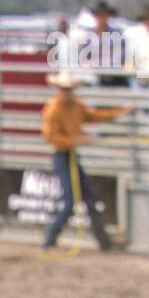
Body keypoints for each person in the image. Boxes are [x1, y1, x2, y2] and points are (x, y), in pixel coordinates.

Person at [41, 72, 131, 251]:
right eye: (64, 89)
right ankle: (49, 240)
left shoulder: (76, 107)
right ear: (59, 89)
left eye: (69, 89)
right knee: (69, 202)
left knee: (89, 199)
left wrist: (119, 113)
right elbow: (50, 136)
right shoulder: (53, 109)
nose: (66, 92)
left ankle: (104, 243)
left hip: (72, 155)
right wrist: (75, 141)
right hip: (62, 156)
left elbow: (94, 116)